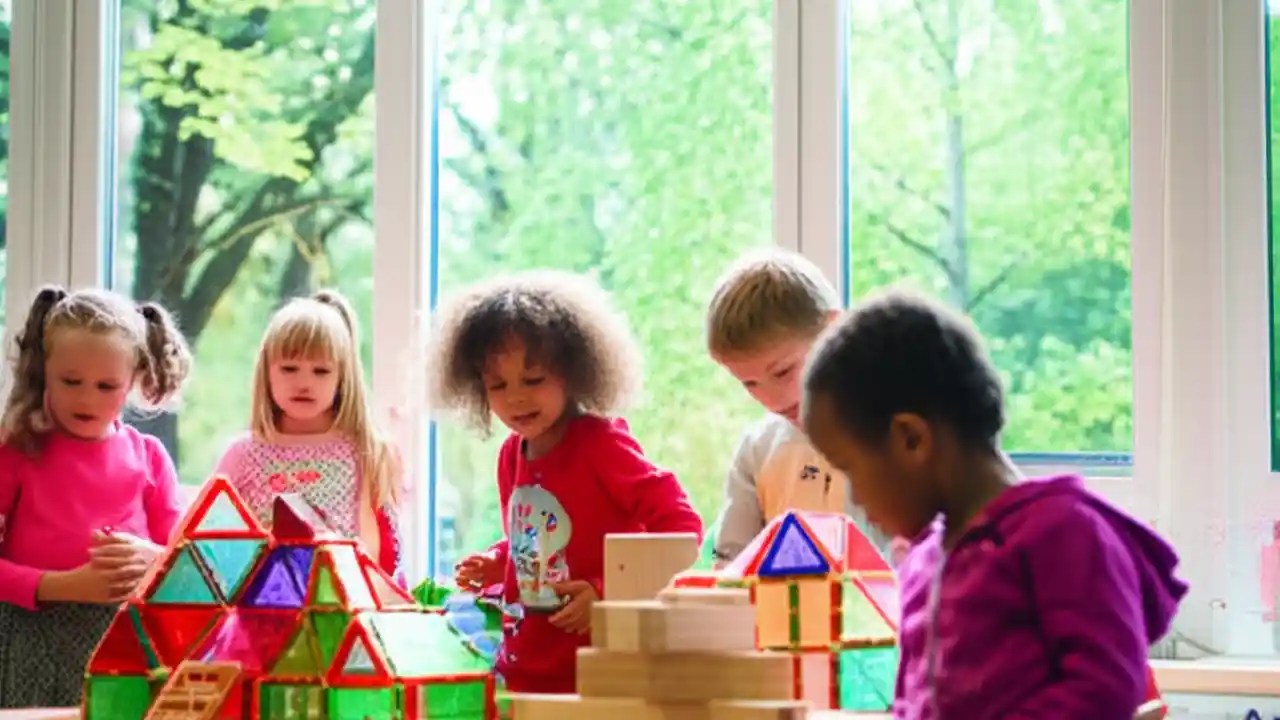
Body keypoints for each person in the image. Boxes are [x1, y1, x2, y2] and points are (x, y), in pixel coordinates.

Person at [801, 288, 1188, 719]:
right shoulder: (923, 560)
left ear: (911, 439)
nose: (854, 497)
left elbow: (1104, 688)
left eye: (851, 469)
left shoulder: (1062, 532)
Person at [433, 270, 703, 694]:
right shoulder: (511, 455)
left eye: (533, 379)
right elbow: (538, 543)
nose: (516, 397)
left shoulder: (601, 444)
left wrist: (606, 593)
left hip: (599, 676)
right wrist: (498, 561)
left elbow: (681, 528)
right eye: (497, 385)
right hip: (527, 670)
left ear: (575, 372)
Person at [0, 286, 192, 707]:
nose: (87, 398)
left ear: (135, 381)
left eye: (107, 385)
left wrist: (154, 560)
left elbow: (188, 564)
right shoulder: (18, 449)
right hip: (34, 644)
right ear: (42, 369)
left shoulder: (150, 458)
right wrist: (62, 585)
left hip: (126, 647)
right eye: (71, 381)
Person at [705, 249, 890, 566]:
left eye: (783, 372)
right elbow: (730, 564)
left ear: (833, 331)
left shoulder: (894, 431)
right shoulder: (757, 450)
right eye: (749, 384)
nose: (771, 399)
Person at [214, 290, 403, 579]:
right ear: (266, 373)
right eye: (289, 368)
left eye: (321, 371)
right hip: (261, 612)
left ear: (343, 378)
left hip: (340, 609)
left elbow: (376, 558)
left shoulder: (366, 450)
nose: (303, 383)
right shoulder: (241, 454)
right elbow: (205, 539)